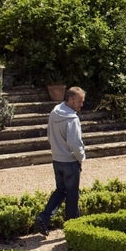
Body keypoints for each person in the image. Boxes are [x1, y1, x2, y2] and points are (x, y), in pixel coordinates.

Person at [32, 87, 86, 234]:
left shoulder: (54, 113)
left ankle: (44, 217)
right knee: (72, 195)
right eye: (80, 102)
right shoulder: (72, 119)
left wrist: (56, 151)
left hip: (57, 159)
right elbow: (75, 143)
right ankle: (73, 228)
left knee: (61, 191)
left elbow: (49, 135)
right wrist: (81, 158)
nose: (81, 105)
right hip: (70, 161)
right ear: (71, 99)